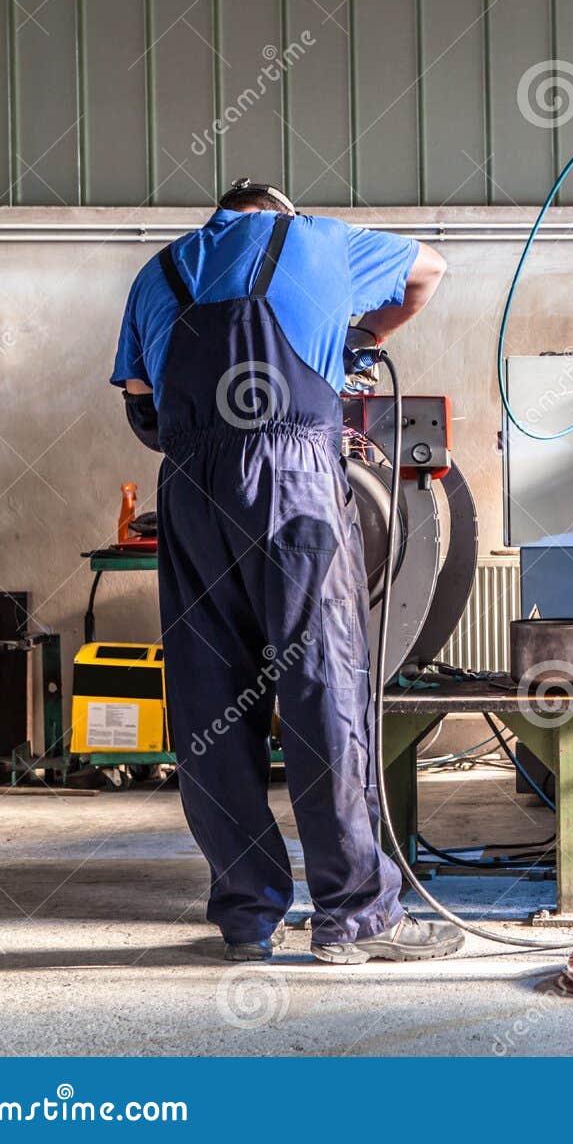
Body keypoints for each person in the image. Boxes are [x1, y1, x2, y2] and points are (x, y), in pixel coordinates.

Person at [110, 179, 454, 964]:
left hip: (191, 488)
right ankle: (354, 917)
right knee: (321, 684)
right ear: (282, 211)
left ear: (222, 215)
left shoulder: (157, 272)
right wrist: (355, 339)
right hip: (292, 476)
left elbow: (139, 401)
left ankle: (245, 918)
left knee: (207, 699)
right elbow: (428, 270)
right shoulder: (320, 241)